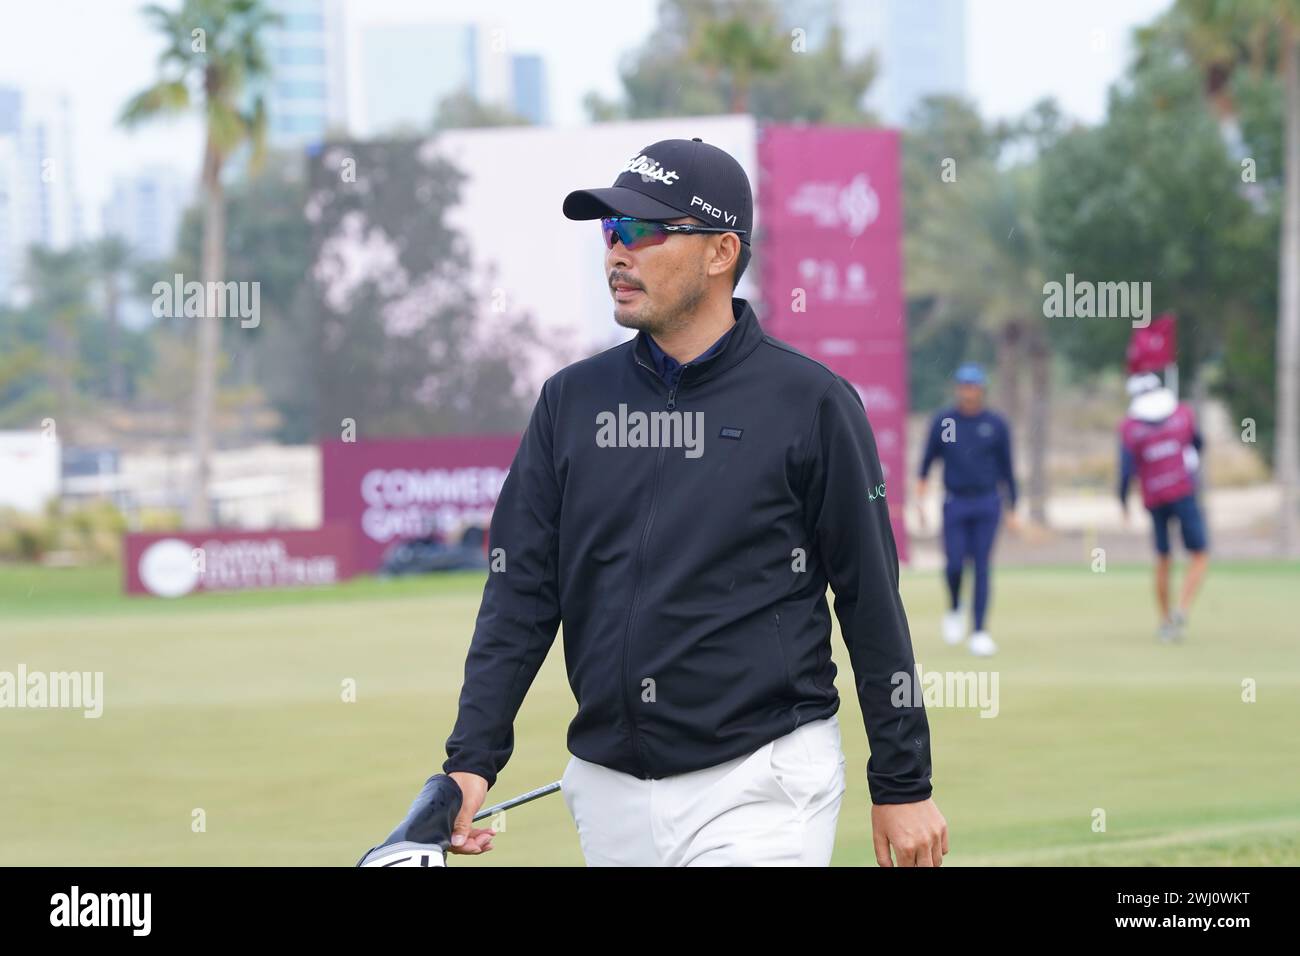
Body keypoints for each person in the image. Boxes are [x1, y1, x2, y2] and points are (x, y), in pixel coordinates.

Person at [439, 137, 946, 866]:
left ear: (720, 252)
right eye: (610, 231)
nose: (618, 252)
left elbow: (870, 601)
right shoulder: (569, 402)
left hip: (763, 780)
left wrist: (903, 782)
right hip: (608, 792)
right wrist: (468, 764)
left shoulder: (811, 402)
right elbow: (520, 593)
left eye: (643, 232)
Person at [915, 363, 1018, 657]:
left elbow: (1007, 470)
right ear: (958, 388)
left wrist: (1013, 508)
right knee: (954, 564)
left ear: (981, 389)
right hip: (954, 501)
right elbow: (926, 462)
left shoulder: (995, 424)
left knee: (983, 566)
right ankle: (954, 607)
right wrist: (920, 501)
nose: (968, 392)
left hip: (988, 502)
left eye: (973, 386)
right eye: (964, 386)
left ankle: (980, 632)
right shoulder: (944, 421)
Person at [1119, 373, 1210, 642]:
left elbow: (1126, 470)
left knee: (1163, 557)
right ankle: (1182, 606)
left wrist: (1123, 502)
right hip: (1183, 491)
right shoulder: (1182, 414)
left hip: (1154, 497)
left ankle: (1165, 619)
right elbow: (1199, 443)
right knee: (1199, 553)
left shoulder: (1130, 427)